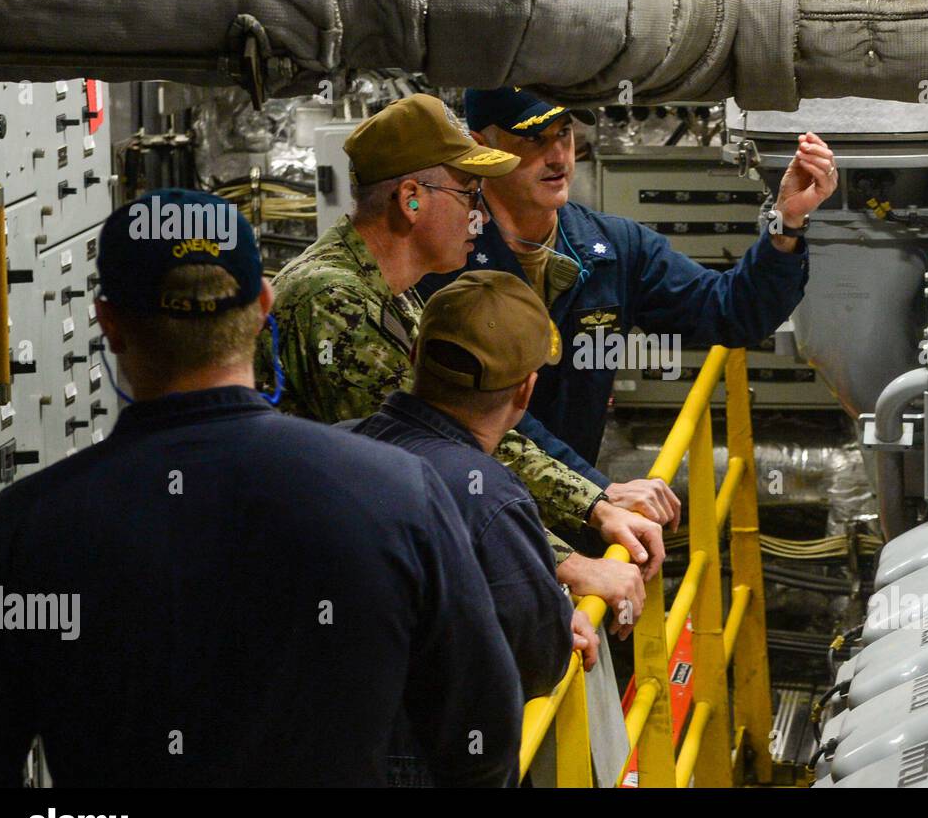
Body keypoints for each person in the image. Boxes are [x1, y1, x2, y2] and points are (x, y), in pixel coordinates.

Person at [0, 190, 522, 787]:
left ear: (108, 323)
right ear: (264, 305)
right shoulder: (397, 491)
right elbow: (481, 740)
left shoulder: (23, 530)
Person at [260, 93, 667, 588]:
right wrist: (570, 564)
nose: (481, 215)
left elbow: (466, 427)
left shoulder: (385, 288)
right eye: (470, 194)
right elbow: (420, 466)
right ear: (412, 199)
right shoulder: (333, 300)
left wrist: (594, 506)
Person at [417, 87, 838, 470]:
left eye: (564, 134)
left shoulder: (613, 248)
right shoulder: (446, 255)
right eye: (533, 139)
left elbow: (732, 311)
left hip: (577, 508)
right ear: (481, 146)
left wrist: (786, 222)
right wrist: (596, 494)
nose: (559, 157)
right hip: (469, 503)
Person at [354, 271, 638, 699]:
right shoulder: (489, 499)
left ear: (414, 354)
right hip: (415, 754)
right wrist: (559, 618)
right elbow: (538, 659)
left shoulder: (336, 444)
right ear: (525, 392)